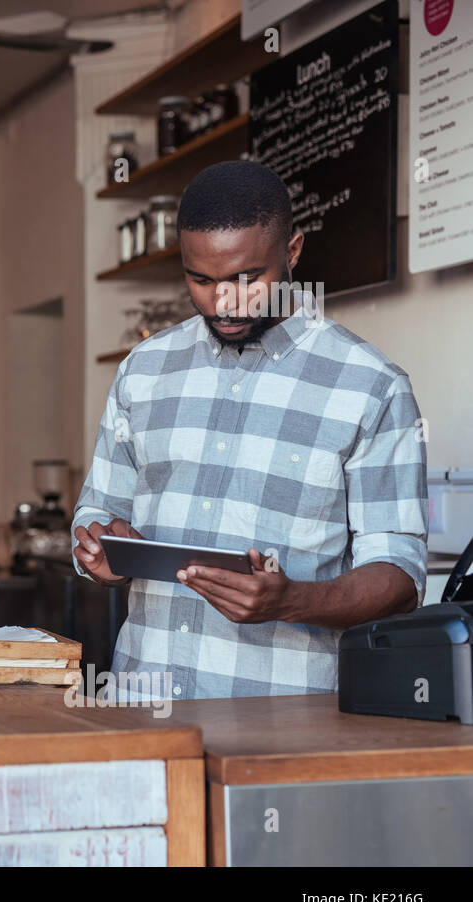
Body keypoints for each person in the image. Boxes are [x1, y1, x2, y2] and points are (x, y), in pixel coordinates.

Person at [72, 160, 427, 700]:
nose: (223, 302)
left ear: (292, 252)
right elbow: (97, 512)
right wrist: (99, 551)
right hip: (140, 710)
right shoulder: (143, 371)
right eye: (201, 280)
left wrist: (291, 602)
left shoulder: (371, 387)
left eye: (246, 279)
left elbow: (400, 578)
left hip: (283, 724)